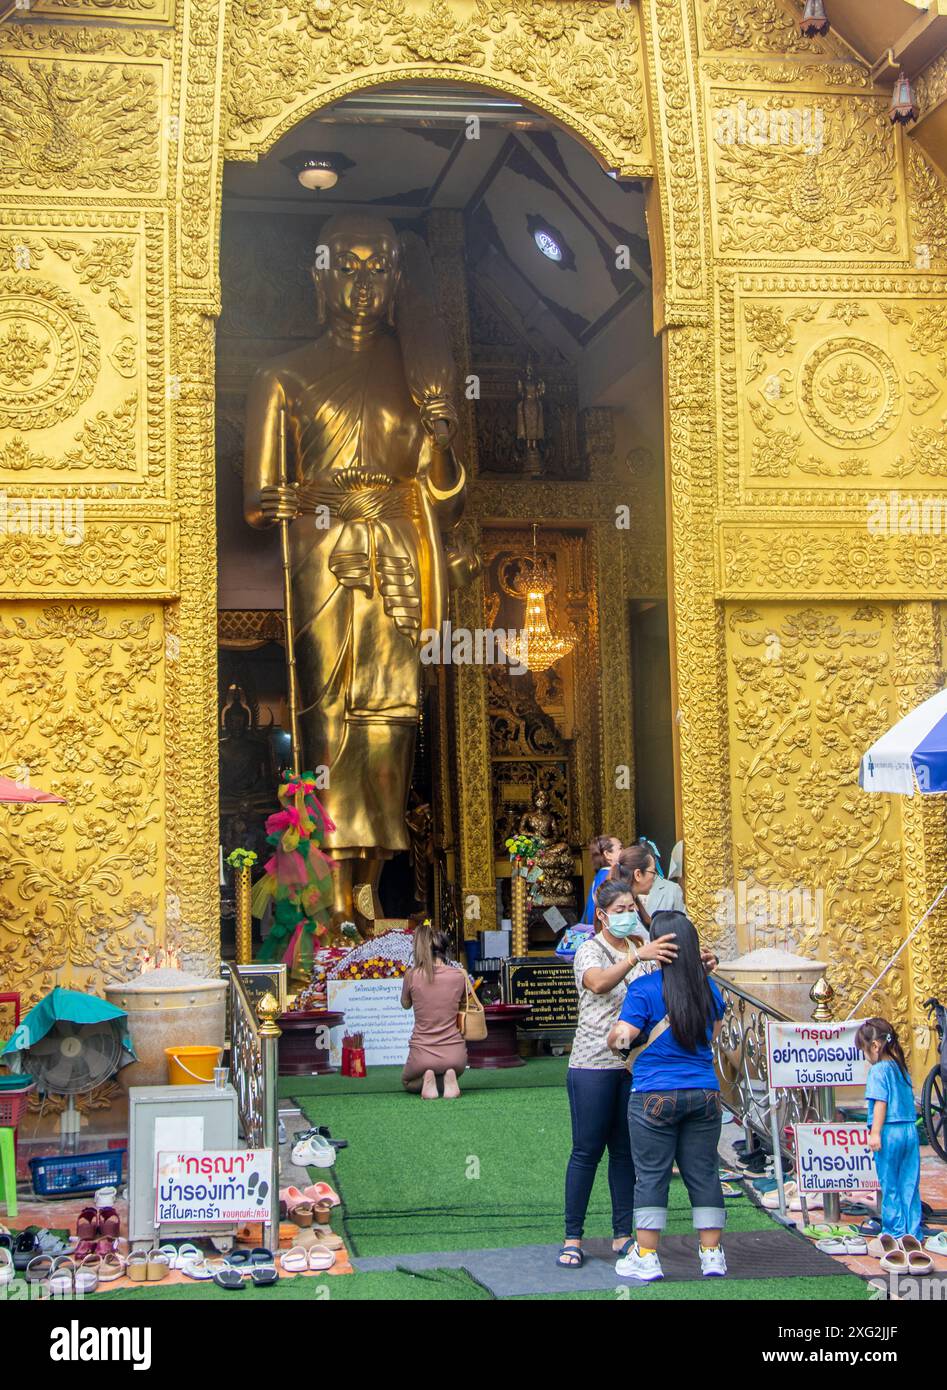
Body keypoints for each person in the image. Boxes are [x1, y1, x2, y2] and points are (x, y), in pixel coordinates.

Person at [558, 878, 679, 1268]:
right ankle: (572, 1237)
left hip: (633, 1066)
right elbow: (597, 984)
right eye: (621, 910)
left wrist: (696, 964)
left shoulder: (641, 949)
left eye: (632, 909)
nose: (628, 915)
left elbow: (666, 986)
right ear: (602, 915)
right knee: (586, 1151)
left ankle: (622, 1234)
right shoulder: (589, 950)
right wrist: (634, 957)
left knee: (625, 1153)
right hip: (592, 1064)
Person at [608, 910, 727, 1281]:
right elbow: (715, 1033)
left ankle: (646, 1255)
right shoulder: (708, 988)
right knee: (704, 1173)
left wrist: (616, 1038)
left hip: (654, 1095)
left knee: (651, 1176)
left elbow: (624, 1035)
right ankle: (711, 1255)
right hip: (704, 1092)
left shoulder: (644, 990)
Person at [857, 1017, 921, 1242]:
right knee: (910, 1184)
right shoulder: (901, 1068)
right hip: (910, 1131)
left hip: (889, 1131)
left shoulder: (879, 1071)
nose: (865, 1056)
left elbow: (881, 1102)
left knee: (890, 1184)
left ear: (875, 1046)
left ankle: (894, 1232)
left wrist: (875, 1133)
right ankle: (912, 1233)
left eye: (865, 1051)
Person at [400, 921, 467, 1099]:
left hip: (421, 1054)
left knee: (408, 1083)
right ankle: (449, 1076)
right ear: (445, 949)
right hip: (455, 1054)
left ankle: (427, 1078)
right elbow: (463, 1004)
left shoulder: (412, 975)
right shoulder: (459, 975)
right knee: (450, 1068)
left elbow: (405, 1004)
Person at [611, 843, 659, 934]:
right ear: (638, 874)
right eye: (653, 872)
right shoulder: (622, 911)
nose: (654, 877)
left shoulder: (635, 902)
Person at [580, 834, 622, 924]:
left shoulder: (601, 874)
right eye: (620, 848)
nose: (624, 851)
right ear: (607, 854)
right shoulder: (610, 875)